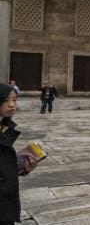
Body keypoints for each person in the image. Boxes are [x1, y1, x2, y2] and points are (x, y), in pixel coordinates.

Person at [1, 83, 39, 224]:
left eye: (14, 100)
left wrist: (21, 168)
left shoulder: (5, 128)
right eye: (6, 100)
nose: (12, 105)